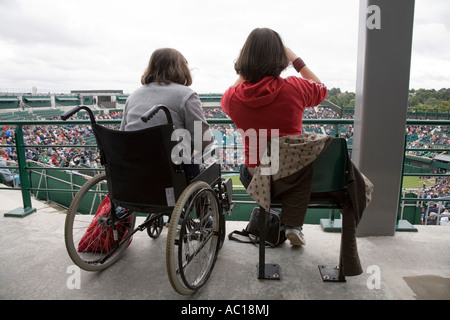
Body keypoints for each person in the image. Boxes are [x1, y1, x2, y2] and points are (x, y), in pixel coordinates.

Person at [221, 28, 328, 246]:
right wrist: (296, 59)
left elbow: (228, 95)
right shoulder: (295, 87)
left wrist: (248, 66)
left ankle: (277, 215)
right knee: (290, 173)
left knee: (245, 168)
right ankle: (291, 223)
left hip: (257, 177)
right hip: (293, 178)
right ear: (281, 57)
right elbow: (322, 90)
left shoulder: (232, 98)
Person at [120, 48, 213, 180]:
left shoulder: (133, 96)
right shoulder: (186, 95)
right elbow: (203, 140)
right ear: (182, 68)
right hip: (170, 176)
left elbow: (123, 136)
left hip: (133, 173)